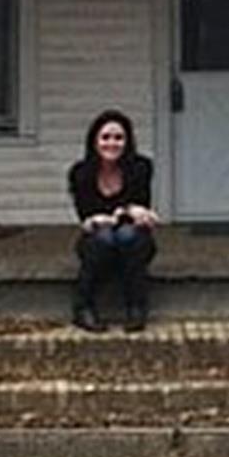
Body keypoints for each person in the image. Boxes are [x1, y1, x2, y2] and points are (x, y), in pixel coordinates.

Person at [67, 108, 160, 333]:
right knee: (104, 238)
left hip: (133, 240)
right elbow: (87, 217)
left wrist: (122, 213)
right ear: (95, 142)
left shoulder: (141, 168)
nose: (112, 143)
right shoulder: (81, 173)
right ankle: (83, 308)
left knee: (128, 235)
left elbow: (141, 212)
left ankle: (136, 307)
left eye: (119, 138)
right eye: (105, 137)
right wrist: (123, 213)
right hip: (98, 243)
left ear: (128, 142)